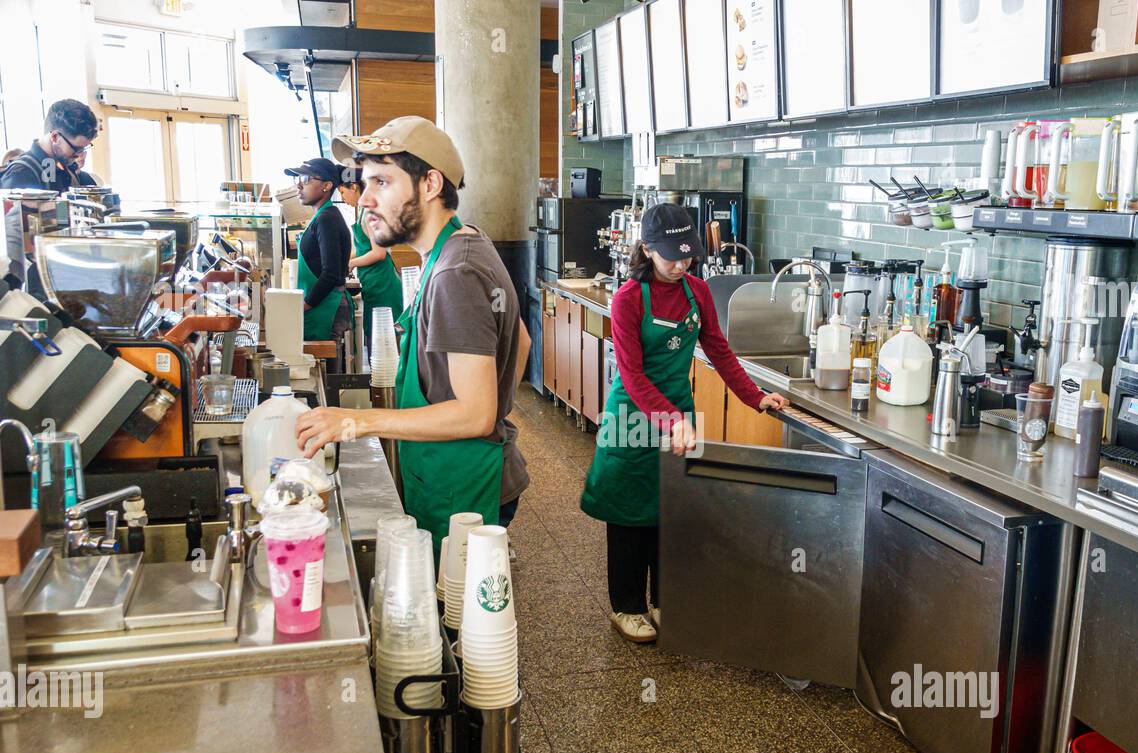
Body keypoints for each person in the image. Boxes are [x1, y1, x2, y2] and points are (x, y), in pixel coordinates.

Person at [295, 117, 531, 546]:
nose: (365, 200)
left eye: (382, 182)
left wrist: (354, 422)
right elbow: (521, 341)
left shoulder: (454, 271)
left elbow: (475, 414)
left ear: (430, 184)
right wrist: (494, 400)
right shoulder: (465, 242)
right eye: (365, 184)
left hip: (461, 483)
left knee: (453, 611)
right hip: (458, 467)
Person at [580, 203, 789, 643]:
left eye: (686, 254)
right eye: (670, 255)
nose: (680, 264)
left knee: (669, 510)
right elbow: (633, 376)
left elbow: (719, 350)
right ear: (647, 249)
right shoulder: (628, 299)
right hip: (633, 417)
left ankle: (664, 601)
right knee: (629, 515)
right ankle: (628, 607)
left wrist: (755, 397)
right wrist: (671, 419)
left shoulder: (698, 290)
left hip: (678, 415)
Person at [284, 157, 353, 345]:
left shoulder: (327, 219)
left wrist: (305, 305)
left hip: (327, 307)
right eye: (297, 179)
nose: (299, 186)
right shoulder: (322, 216)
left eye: (306, 180)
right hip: (321, 304)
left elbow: (331, 273)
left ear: (327, 185)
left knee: (328, 372)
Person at [338, 168, 404, 354]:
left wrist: (351, 264)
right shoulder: (362, 213)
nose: (343, 198)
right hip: (374, 285)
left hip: (384, 286)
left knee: (386, 344)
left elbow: (378, 253)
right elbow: (362, 249)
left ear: (353, 187)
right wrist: (341, 258)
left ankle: (392, 383)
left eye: (343, 192)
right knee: (376, 341)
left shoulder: (369, 214)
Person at [0, 99, 99, 192]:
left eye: (84, 148)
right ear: (55, 137)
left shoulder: (62, 168)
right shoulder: (21, 175)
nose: (80, 154)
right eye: (76, 148)